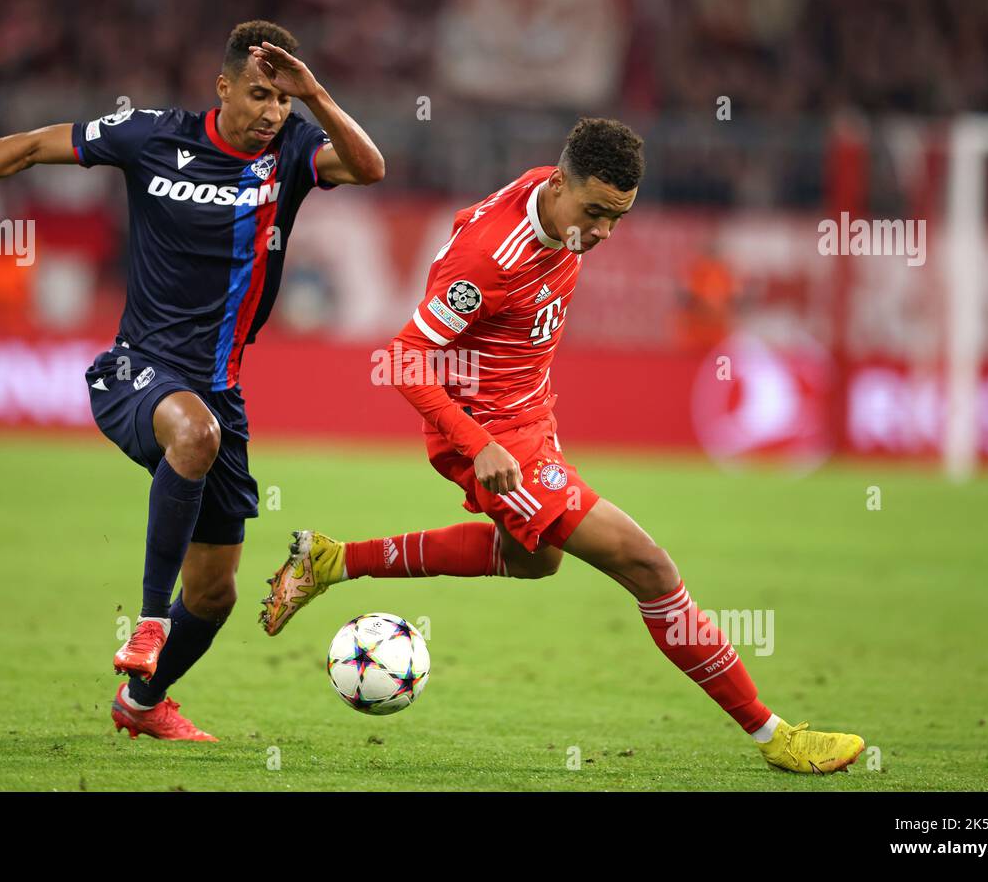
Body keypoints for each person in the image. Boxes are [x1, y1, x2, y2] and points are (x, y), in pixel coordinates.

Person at [259, 118, 864, 773]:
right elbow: (403, 358)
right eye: (595, 212)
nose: (601, 232)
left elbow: (473, 218)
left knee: (533, 561)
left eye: (617, 218)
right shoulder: (492, 257)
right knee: (649, 566)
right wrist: (477, 441)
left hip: (531, 418)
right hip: (495, 436)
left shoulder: (547, 201)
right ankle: (774, 735)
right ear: (557, 184)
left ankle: (331, 560)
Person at [0, 20, 385, 741]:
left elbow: (369, 168)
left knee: (213, 593)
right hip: (135, 370)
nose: (272, 112)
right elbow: (28, 146)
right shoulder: (150, 136)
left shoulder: (292, 151)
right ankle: (146, 620)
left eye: (283, 101)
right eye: (261, 94)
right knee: (192, 433)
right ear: (223, 86)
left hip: (220, 391)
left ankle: (142, 702)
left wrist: (317, 96)